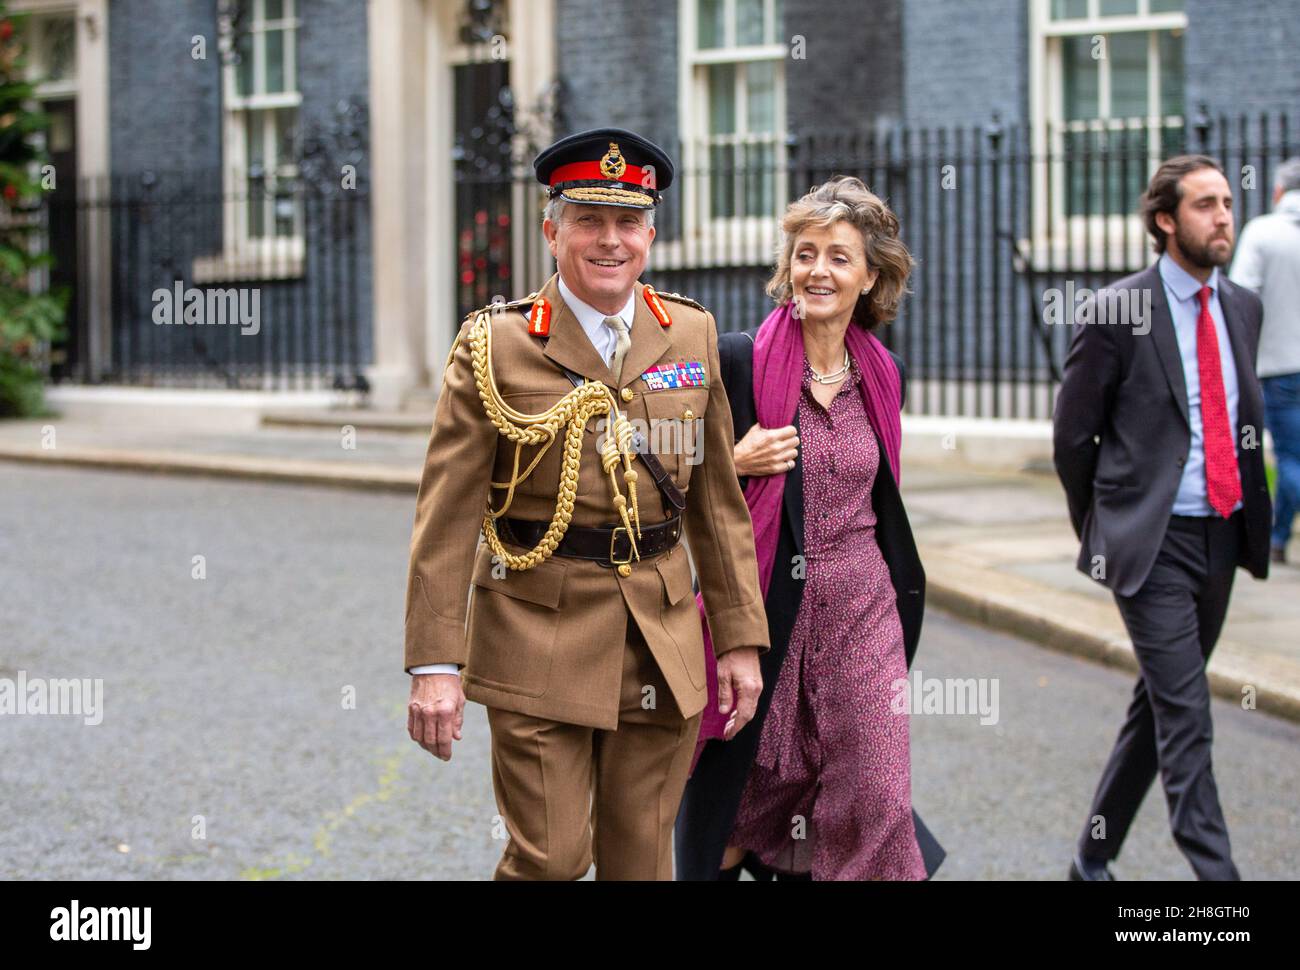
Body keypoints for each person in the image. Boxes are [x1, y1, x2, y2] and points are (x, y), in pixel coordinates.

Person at [402, 127, 770, 880]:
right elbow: (446, 517)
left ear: (650, 235)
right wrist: (434, 664)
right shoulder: (495, 345)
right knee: (551, 859)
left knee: (641, 863)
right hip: (537, 634)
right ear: (552, 232)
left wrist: (738, 639)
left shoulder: (690, 332)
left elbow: (716, 505)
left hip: (660, 640)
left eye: (628, 222)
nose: (610, 240)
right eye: (588, 220)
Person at [674, 176, 945, 881]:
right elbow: (664, 475)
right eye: (805, 254)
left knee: (877, 795)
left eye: (839, 257)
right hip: (765, 610)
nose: (817, 271)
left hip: (863, 610)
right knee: (744, 804)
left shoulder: (885, 373)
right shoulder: (738, 360)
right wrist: (732, 461)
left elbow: (883, 500)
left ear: (871, 277)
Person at [1054, 155, 1271, 881]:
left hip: (1221, 533)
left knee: (1159, 704)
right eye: (1206, 205)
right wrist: (1107, 529)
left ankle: (1091, 859)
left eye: (1227, 203)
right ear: (1166, 220)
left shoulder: (1242, 306)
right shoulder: (1118, 311)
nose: (1224, 217)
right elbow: (1073, 438)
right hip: (1151, 545)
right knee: (1188, 714)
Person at [1230, 156, 1300, 564]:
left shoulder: (1262, 232)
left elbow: (1239, 297)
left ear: (1278, 191)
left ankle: (1276, 536)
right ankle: (1277, 537)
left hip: (1279, 366)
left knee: (1290, 456)